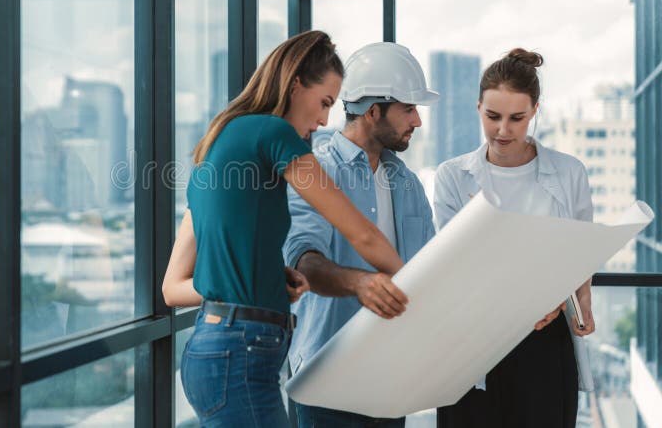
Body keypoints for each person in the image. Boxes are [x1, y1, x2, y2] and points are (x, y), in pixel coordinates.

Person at [162, 31, 410, 427]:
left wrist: (256, 276)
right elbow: (360, 233)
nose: (325, 120)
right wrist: (417, 288)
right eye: (325, 102)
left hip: (209, 350)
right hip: (242, 353)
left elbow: (172, 288)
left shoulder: (214, 145)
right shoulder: (272, 133)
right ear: (296, 85)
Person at [434, 48, 596, 428]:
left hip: (543, 341)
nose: (503, 130)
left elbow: (582, 253)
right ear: (478, 108)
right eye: (493, 117)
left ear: (535, 111)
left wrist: (577, 301)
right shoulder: (453, 176)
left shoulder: (570, 173)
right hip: (471, 343)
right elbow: (452, 261)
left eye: (516, 118)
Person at [283, 42, 439, 428]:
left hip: (391, 376)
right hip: (327, 379)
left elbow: (428, 270)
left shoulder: (408, 185)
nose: (417, 121)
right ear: (373, 111)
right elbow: (303, 261)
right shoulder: (313, 171)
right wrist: (361, 283)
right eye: (408, 109)